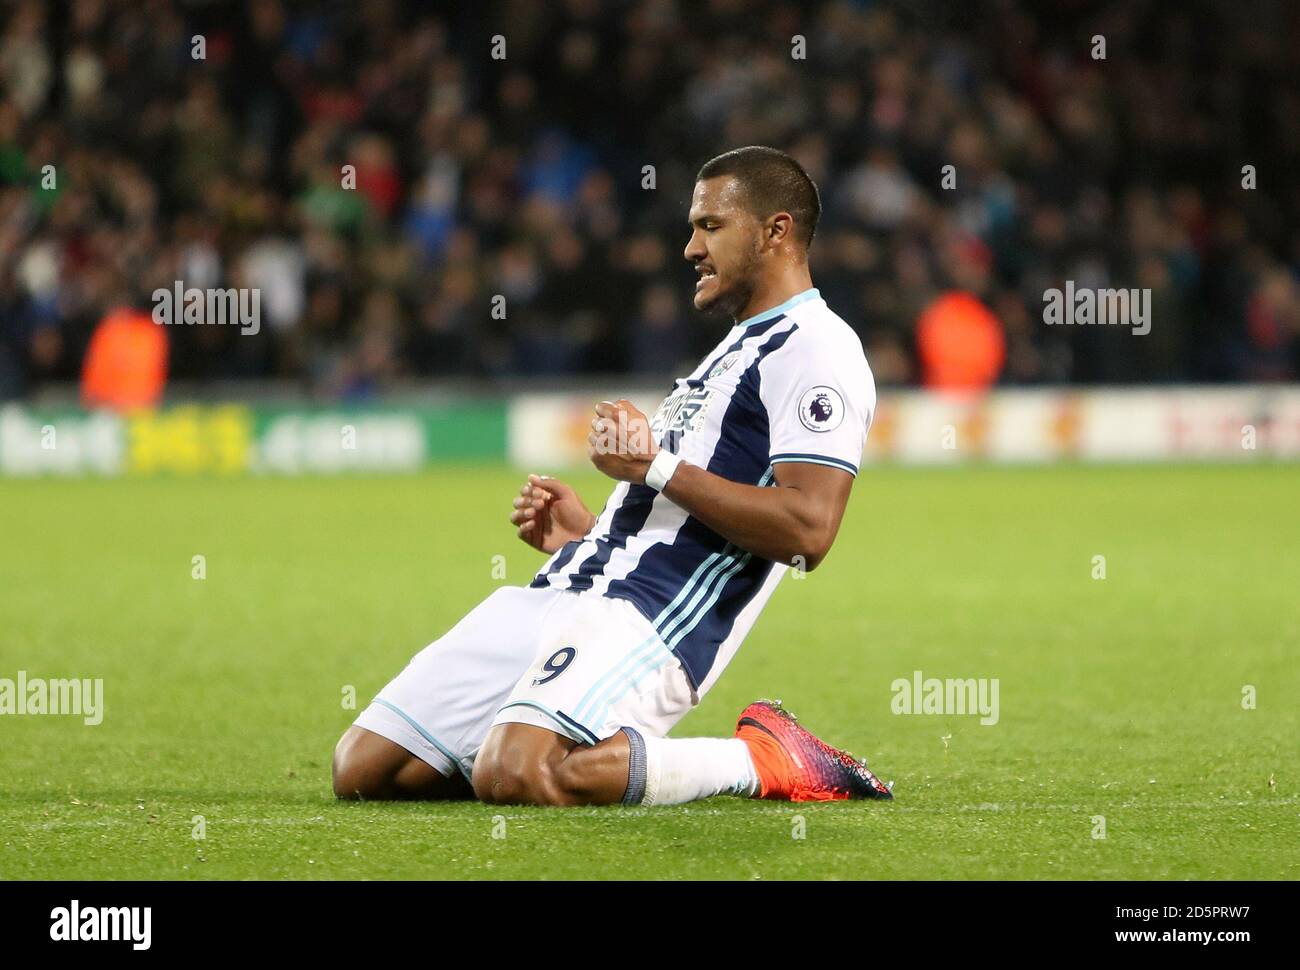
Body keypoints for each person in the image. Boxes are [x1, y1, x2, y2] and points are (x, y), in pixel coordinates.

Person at [332, 146, 893, 805]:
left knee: (519, 773)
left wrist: (653, 464)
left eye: (710, 226)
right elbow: (681, 499)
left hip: (650, 612)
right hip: (572, 584)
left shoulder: (817, 347)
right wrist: (588, 534)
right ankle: (542, 735)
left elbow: (809, 528)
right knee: (368, 769)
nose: (690, 248)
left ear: (776, 231)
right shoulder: (735, 347)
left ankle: (759, 759)